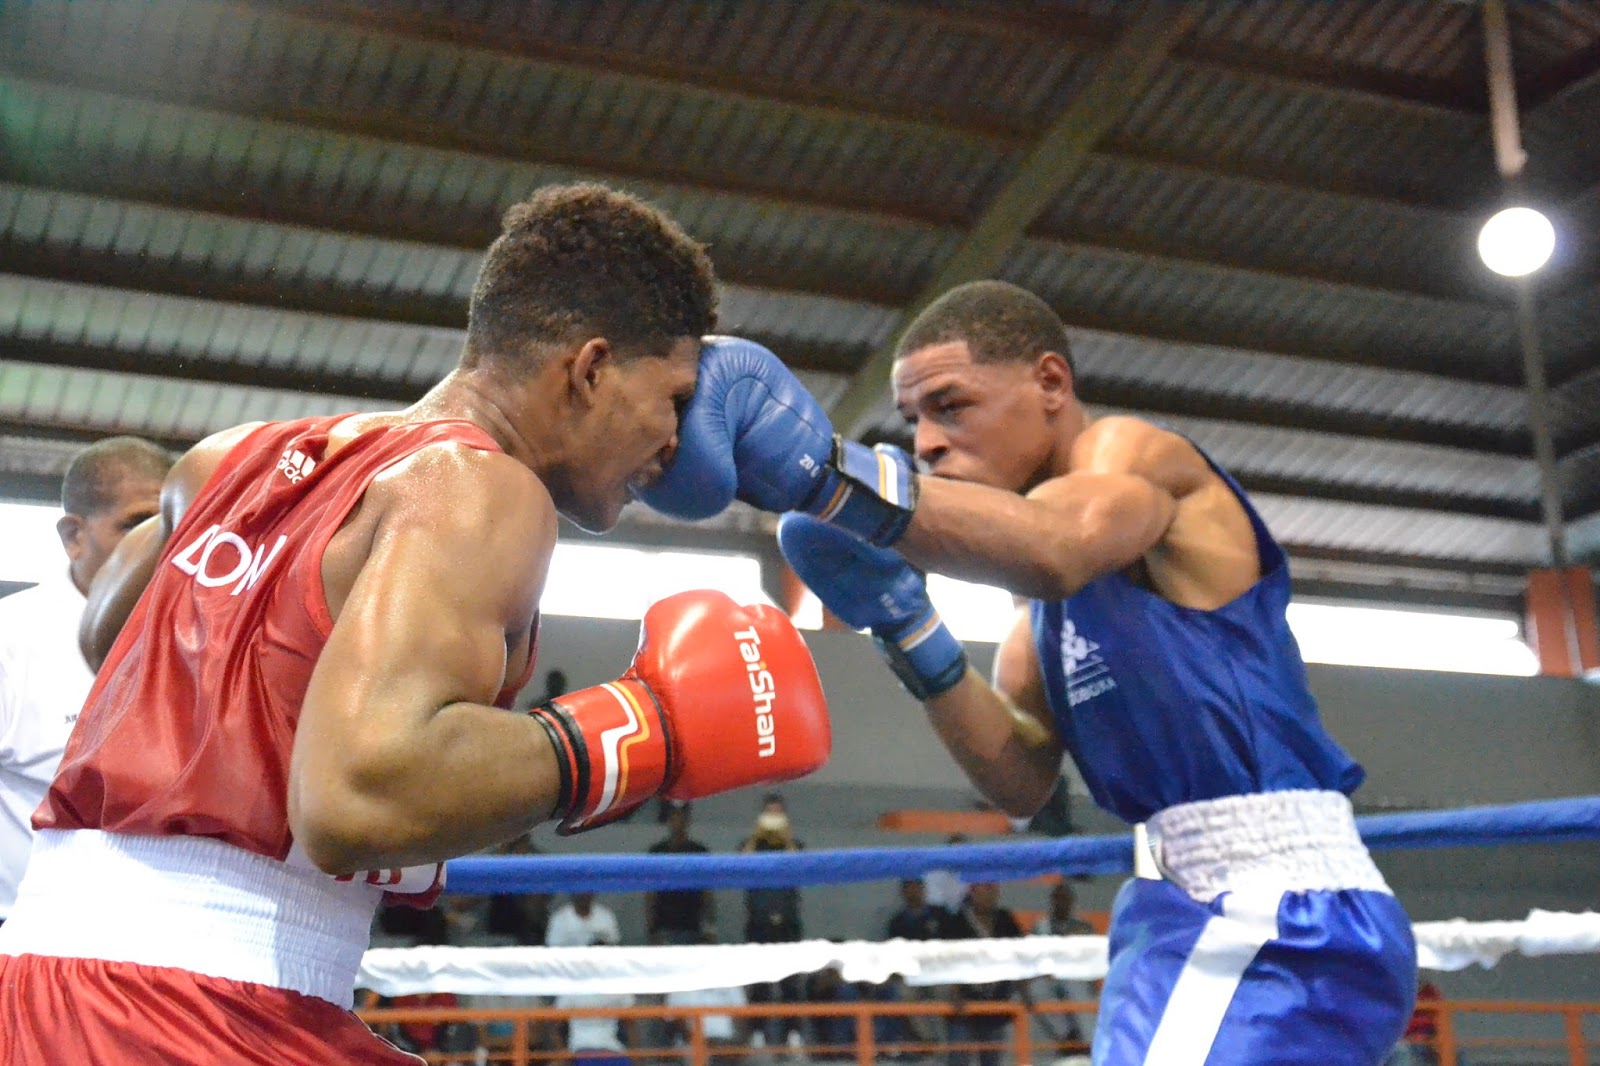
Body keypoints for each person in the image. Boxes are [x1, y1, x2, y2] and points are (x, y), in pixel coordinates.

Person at [0, 184, 833, 1065]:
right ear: (589, 370)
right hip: (199, 1013)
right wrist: (645, 729)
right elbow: (359, 800)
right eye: (671, 399)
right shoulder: (482, 489)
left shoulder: (228, 457)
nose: (678, 447)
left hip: (40, 983)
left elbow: (106, 641)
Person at [637, 282, 1416, 1065]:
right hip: (1171, 906)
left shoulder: (1133, 458)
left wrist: (826, 475)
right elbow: (1020, 778)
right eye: (915, 422)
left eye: (952, 405)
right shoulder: (1034, 610)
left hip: (1280, 904)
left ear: (1050, 383)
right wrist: (907, 628)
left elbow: (1062, 545)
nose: (929, 443)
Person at [0, 436, 172, 927]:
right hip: (31, 946)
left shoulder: (207, 639)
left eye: (177, 522)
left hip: (168, 943)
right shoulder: (10, 640)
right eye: (137, 524)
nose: (162, 543)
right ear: (74, 535)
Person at [740, 793, 806, 1047]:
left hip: (788, 921)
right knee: (759, 981)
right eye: (769, 813)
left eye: (778, 813)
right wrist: (758, 835)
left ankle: (793, 1034)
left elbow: (800, 865)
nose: (773, 819)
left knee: (791, 982)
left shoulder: (795, 845)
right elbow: (741, 863)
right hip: (758, 921)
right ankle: (758, 1032)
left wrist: (785, 835)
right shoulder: (751, 845)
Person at [945, 883, 1023, 1066]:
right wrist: (954, 993)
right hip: (965, 1002)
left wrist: (1023, 993)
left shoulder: (1005, 919)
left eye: (992, 891)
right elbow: (947, 960)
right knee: (959, 1059)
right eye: (984, 890)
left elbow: (1021, 954)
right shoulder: (957, 921)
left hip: (996, 1001)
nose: (989, 896)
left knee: (992, 1060)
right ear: (972, 893)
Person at [1029, 882, 1096, 1053]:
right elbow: (1032, 958)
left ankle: (1088, 1044)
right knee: (1036, 990)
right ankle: (1067, 1035)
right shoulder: (1041, 927)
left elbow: (1090, 960)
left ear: (1072, 901)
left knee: (1076, 989)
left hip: (1076, 979)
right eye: (1058, 899)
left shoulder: (1083, 927)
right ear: (1052, 901)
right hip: (1049, 979)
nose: (1062, 903)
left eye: (1066, 899)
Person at [646, 802, 714, 945]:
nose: (678, 821)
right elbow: (650, 895)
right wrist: (652, 930)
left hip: (693, 924)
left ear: (687, 820)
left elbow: (707, 893)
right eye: (674, 817)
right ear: (669, 820)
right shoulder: (658, 852)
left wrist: (709, 927)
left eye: (681, 817)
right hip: (664, 925)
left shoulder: (699, 852)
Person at [546, 892, 622, 948]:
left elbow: (614, 944)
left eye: (587, 891)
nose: (584, 895)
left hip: (600, 965)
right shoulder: (559, 918)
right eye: (580, 892)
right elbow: (553, 949)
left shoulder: (606, 915)